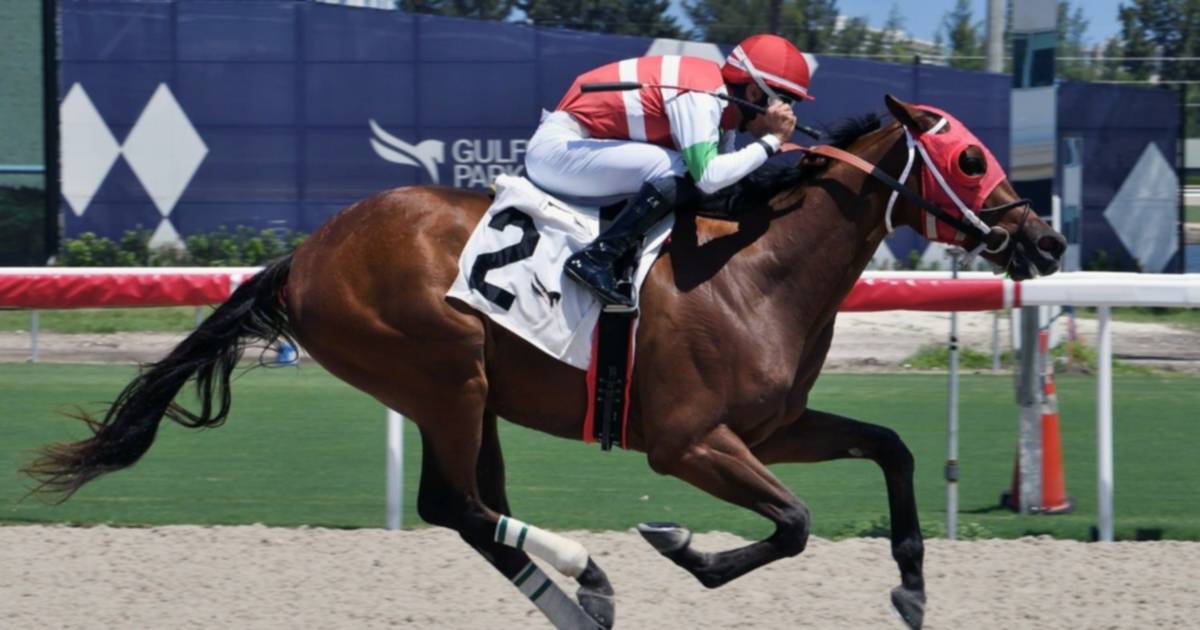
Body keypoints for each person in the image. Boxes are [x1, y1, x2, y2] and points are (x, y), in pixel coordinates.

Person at [524, 34, 814, 309]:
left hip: (574, 149)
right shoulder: (701, 96)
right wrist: (772, 141)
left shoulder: (721, 107)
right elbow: (710, 177)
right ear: (753, 92)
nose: (789, 115)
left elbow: (726, 180)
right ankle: (597, 258)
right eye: (785, 102)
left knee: (691, 173)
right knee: (681, 169)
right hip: (556, 152)